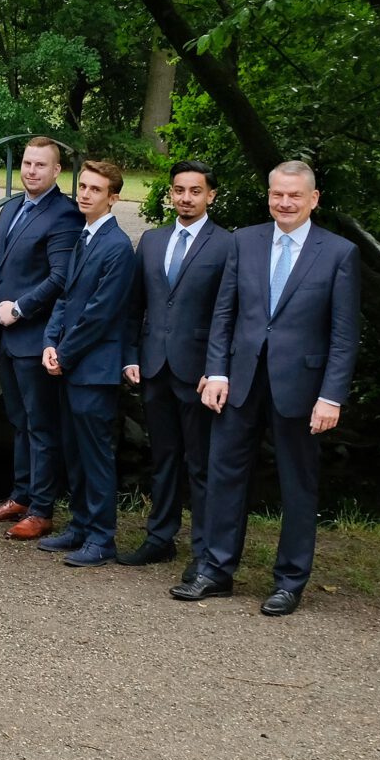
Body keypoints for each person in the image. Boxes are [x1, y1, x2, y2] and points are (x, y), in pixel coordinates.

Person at [177, 161, 361, 617]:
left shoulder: (339, 253)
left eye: (294, 196)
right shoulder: (245, 240)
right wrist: (216, 371)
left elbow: (343, 336)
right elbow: (225, 313)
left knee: (297, 485)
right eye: (277, 194)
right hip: (239, 381)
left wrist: (331, 396)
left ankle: (289, 581)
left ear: (313, 199)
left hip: (302, 386)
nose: (284, 203)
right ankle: (216, 570)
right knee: (223, 475)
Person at [120, 161, 233, 578]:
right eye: (179, 190)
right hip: (153, 366)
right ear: (170, 194)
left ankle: (204, 551)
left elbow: (229, 313)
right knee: (163, 457)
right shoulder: (151, 240)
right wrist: (131, 355)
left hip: (200, 372)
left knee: (201, 463)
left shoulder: (226, 245)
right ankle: (159, 537)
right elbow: (135, 306)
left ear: (211, 196)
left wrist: (219, 369)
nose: (185, 197)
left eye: (195, 191)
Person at [0, 137, 84, 540]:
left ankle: (42, 509)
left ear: (57, 171)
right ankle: (20, 496)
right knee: (18, 421)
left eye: (41, 165)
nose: (31, 171)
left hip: (35, 336)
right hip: (6, 336)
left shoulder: (64, 216)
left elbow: (60, 278)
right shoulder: (12, 210)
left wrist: (19, 309)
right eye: (26, 163)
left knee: (41, 426)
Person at [37, 160, 139, 565]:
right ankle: (79, 525)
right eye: (82, 186)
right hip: (70, 363)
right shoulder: (85, 236)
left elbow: (100, 313)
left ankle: (101, 537)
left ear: (113, 197)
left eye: (95, 189)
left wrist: (64, 353)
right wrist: (49, 340)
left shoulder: (117, 247)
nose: (84, 194)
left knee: (96, 455)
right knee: (74, 451)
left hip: (94, 369)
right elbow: (64, 297)